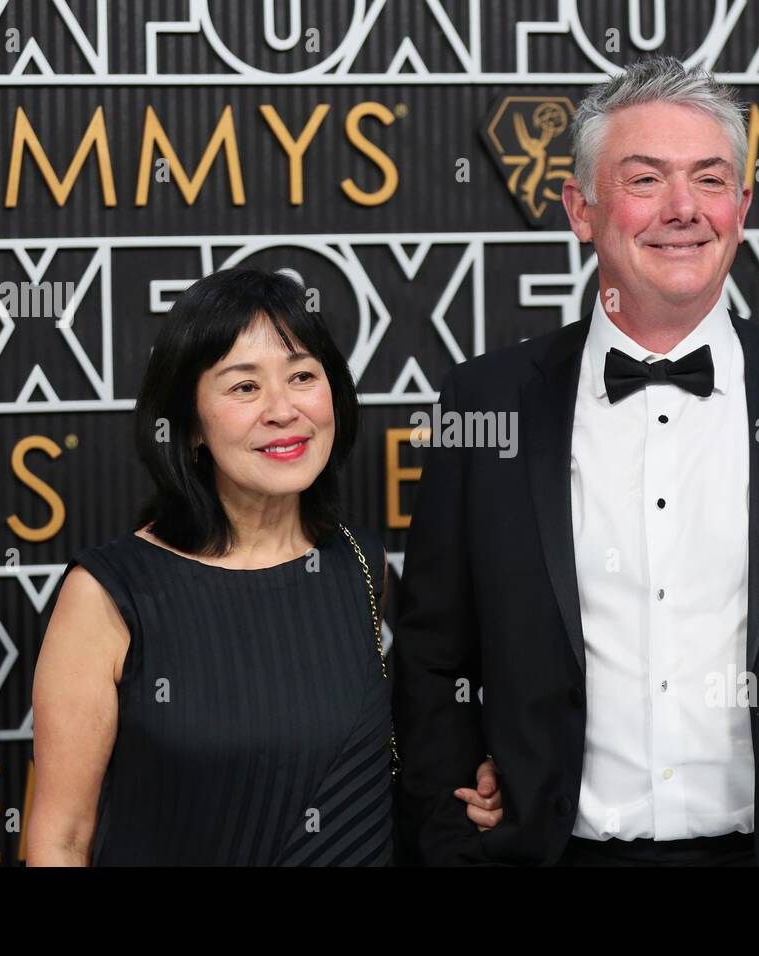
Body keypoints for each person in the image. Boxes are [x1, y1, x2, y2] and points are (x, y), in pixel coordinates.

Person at [393, 57, 759, 866]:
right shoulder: (485, 401)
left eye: (710, 179)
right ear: (581, 209)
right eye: (645, 179)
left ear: (742, 208)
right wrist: (457, 839)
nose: (683, 210)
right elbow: (432, 654)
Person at [27, 267, 501, 865]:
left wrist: (480, 782)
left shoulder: (363, 567)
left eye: (302, 376)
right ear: (190, 425)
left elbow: (411, 752)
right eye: (243, 387)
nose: (283, 410)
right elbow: (61, 839)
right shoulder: (107, 594)